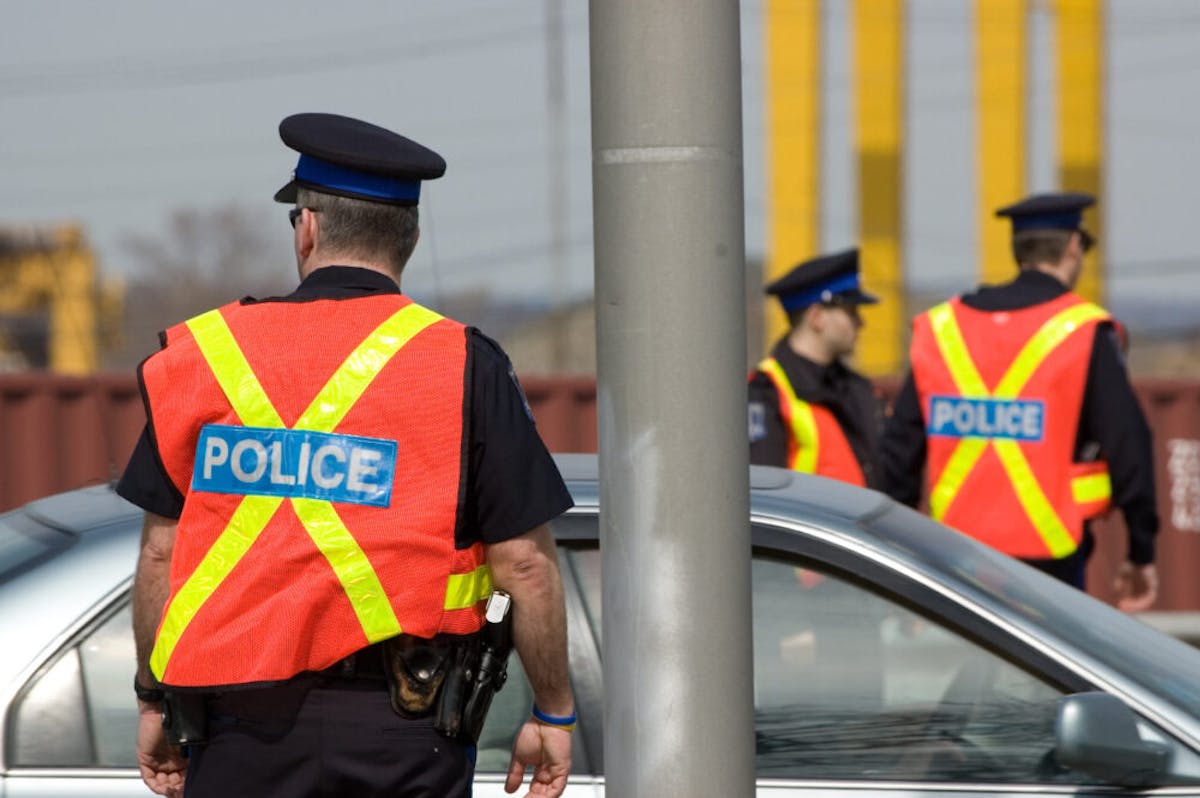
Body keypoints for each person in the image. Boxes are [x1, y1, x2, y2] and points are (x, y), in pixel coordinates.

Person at [121, 112, 576, 798]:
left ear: (306, 227)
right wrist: (553, 710)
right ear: (410, 237)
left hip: (238, 736)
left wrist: (154, 697)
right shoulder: (463, 364)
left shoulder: (202, 357)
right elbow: (525, 568)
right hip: (403, 737)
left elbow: (161, 555)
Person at [879, 192, 1158, 610]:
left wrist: (893, 552)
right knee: (1045, 670)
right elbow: (1128, 444)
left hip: (956, 554)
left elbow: (896, 457)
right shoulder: (1083, 331)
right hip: (1049, 557)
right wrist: (1141, 549)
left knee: (979, 665)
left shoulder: (940, 329)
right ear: (1073, 247)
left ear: (1017, 251)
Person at [749, 248, 884, 487]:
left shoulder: (856, 388)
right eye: (851, 312)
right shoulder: (766, 391)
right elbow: (765, 494)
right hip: (806, 524)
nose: (860, 322)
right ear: (817, 317)